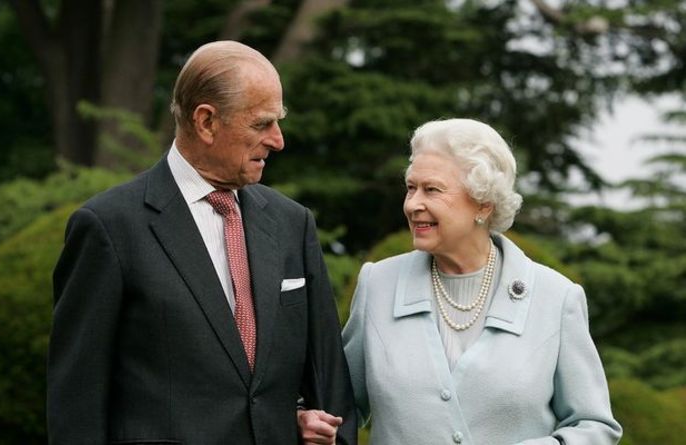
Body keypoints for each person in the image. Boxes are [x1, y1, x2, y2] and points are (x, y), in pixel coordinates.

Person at [48, 40, 356, 445]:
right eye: (262, 124)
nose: (278, 140)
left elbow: (330, 386)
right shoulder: (108, 227)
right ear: (206, 122)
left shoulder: (292, 223)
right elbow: (76, 405)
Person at [300, 118, 622, 444]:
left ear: (483, 203)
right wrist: (307, 420)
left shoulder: (556, 297)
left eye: (432, 190)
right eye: (411, 188)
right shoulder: (378, 284)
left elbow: (594, 426)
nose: (413, 204)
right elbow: (337, 405)